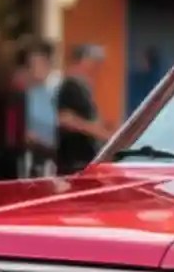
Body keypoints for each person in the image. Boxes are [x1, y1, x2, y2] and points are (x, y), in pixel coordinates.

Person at [56, 44, 115, 173]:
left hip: (85, 159)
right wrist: (104, 135)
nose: (97, 67)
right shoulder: (70, 86)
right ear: (83, 60)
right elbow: (66, 119)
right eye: (94, 62)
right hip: (74, 161)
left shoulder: (84, 88)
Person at [23, 40, 59, 175]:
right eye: (30, 65)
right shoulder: (30, 92)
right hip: (35, 156)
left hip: (57, 156)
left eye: (36, 64)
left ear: (47, 63)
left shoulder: (60, 89)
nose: (32, 69)